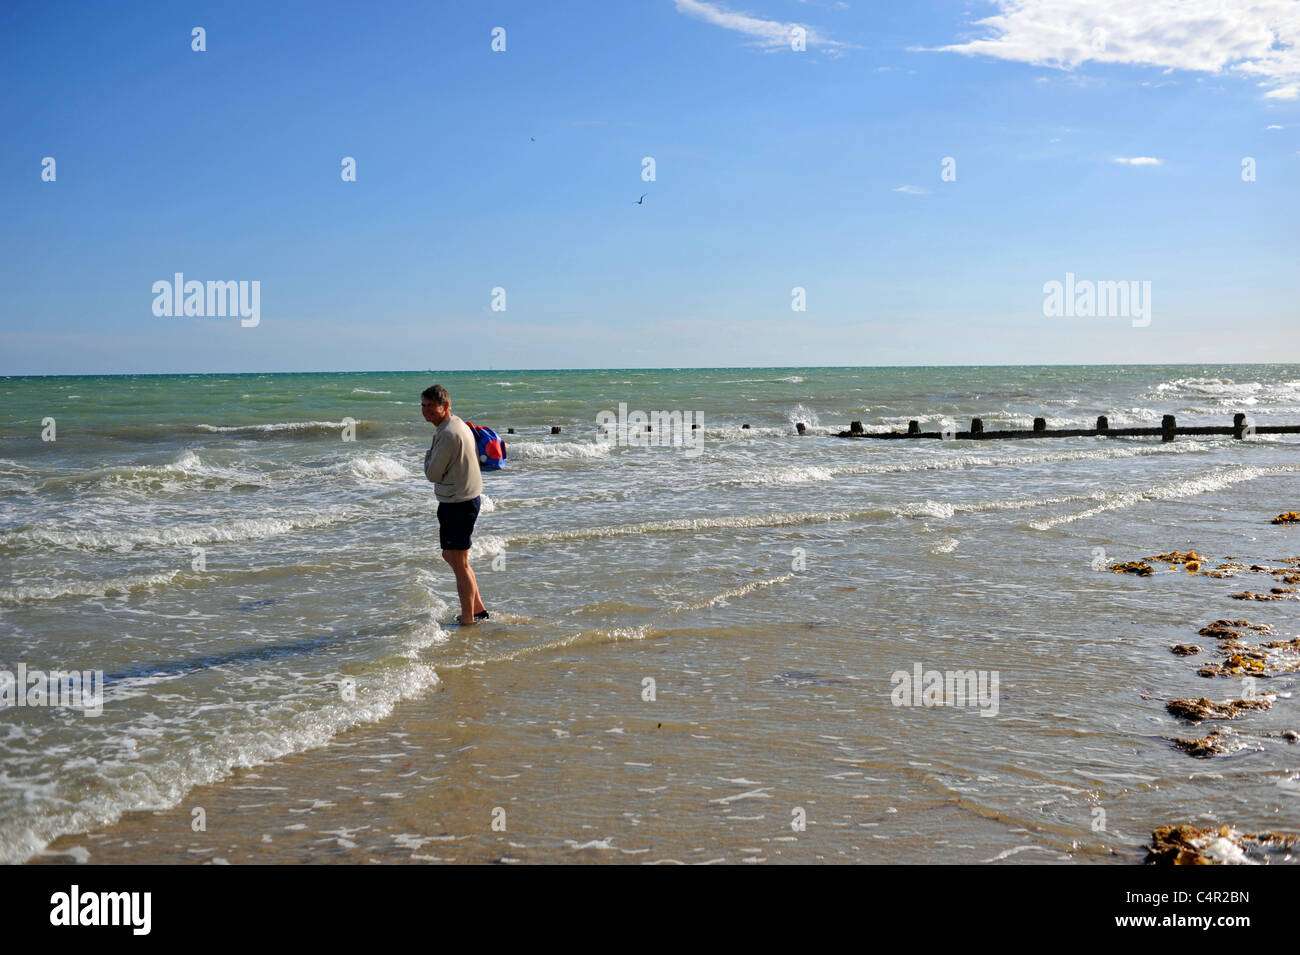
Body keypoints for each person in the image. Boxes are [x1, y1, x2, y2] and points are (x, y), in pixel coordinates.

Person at [421, 384, 487, 625]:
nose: (425, 411)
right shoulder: (457, 423)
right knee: (457, 558)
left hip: (457, 503)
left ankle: (469, 619)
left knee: (457, 561)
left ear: (445, 406)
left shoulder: (448, 434)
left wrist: (427, 456)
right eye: (423, 405)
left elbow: (433, 474)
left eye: (431, 406)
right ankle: (478, 609)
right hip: (466, 498)